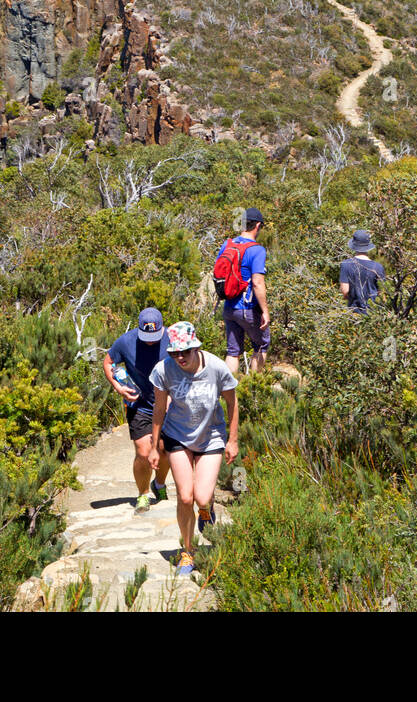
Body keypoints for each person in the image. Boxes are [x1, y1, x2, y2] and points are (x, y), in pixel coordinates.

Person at [149, 321, 239, 576]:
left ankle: (206, 508)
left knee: (201, 496)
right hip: (178, 434)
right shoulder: (163, 370)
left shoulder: (217, 368)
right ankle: (188, 551)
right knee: (185, 496)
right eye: (174, 352)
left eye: (184, 352)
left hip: (211, 436)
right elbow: (158, 409)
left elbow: (232, 404)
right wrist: (155, 447)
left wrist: (232, 440)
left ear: (196, 348)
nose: (179, 357)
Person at [103, 307, 171, 513]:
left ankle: (159, 484)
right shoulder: (125, 341)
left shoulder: (172, 338)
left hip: (168, 403)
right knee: (143, 452)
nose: (150, 340)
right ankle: (143, 495)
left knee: (164, 450)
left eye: (154, 336)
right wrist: (118, 386)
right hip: (139, 404)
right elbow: (108, 362)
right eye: (146, 336)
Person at [217, 207, 270, 375]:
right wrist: (265, 311)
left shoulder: (228, 244)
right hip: (247, 308)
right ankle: (254, 390)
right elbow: (257, 283)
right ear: (258, 226)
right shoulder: (257, 250)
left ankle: (228, 394)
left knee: (233, 352)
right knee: (261, 345)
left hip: (229, 307)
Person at [339, 230, 385, 312]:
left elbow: (345, 291)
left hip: (354, 311)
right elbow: (382, 293)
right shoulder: (378, 267)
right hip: (374, 313)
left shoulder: (345, 264)